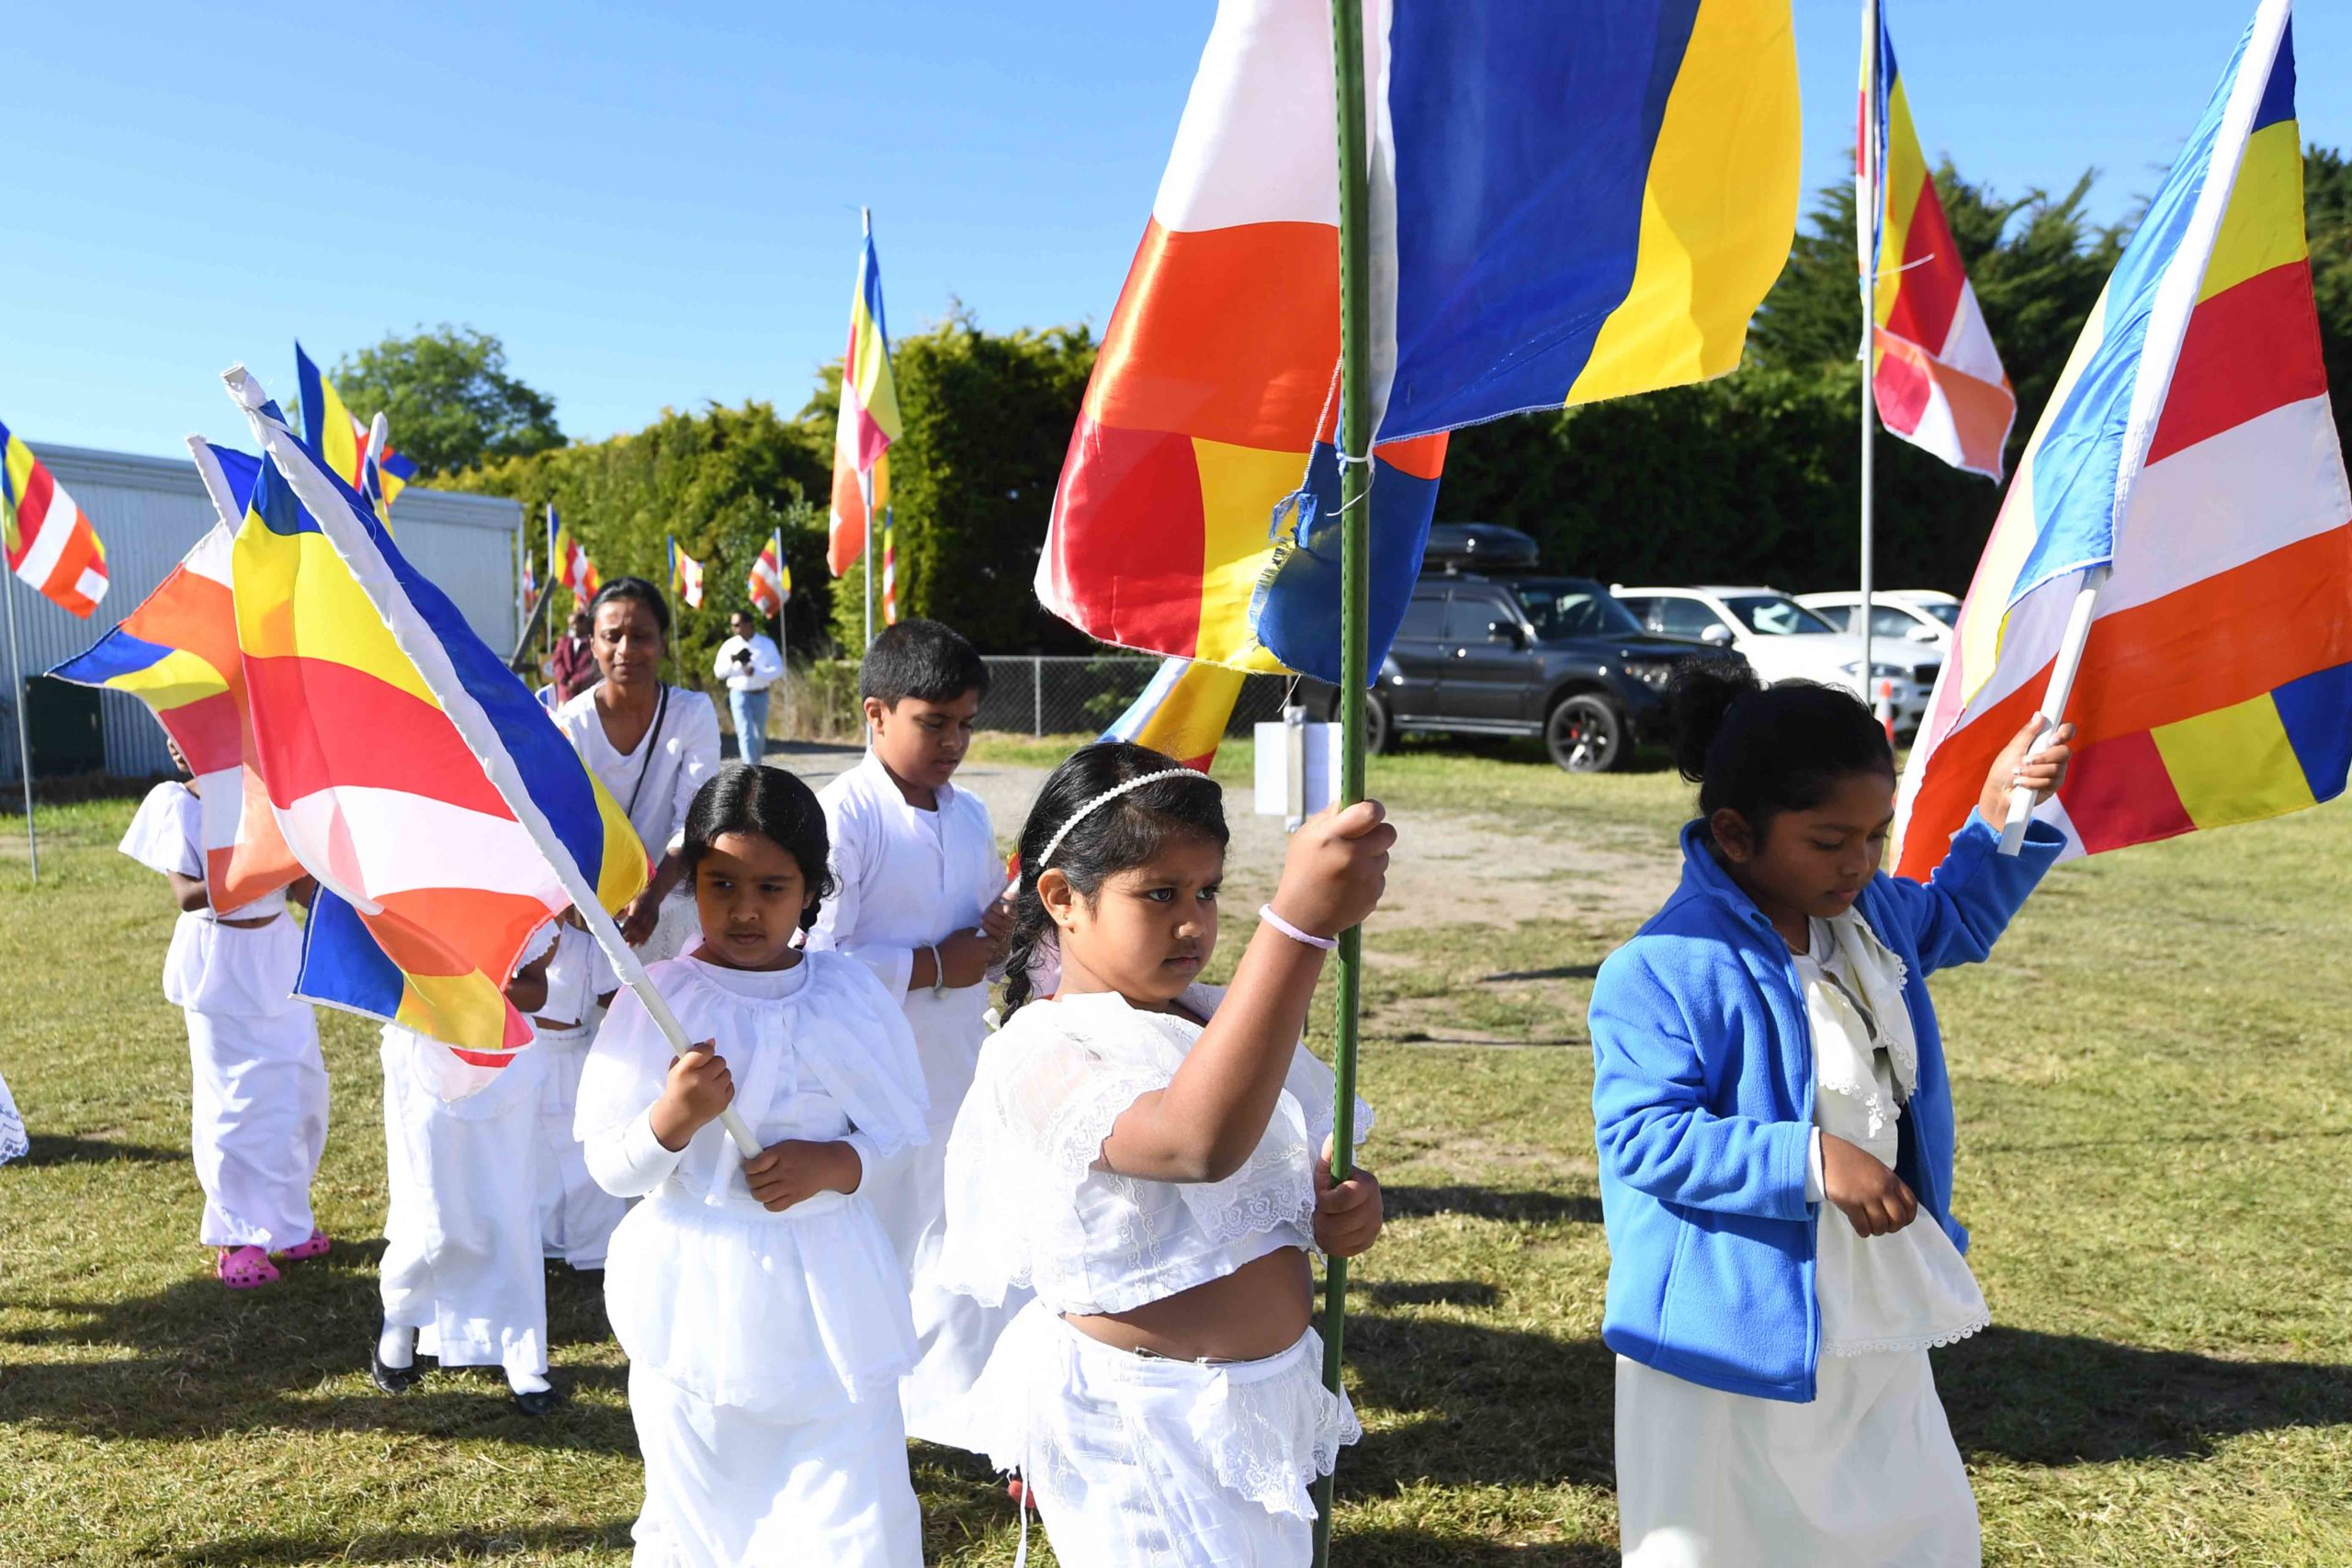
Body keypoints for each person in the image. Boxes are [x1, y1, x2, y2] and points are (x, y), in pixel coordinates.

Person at [1590, 667, 2075, 1568]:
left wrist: (2001, 808)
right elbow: (1643, 1136)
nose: (1858, 862)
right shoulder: (1660, 966)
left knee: (1903, 1519)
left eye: (1874, 836)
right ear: (1734, 834)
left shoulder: (1869, 915)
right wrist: (1813, 1159)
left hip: (1866, 1293)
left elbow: (1959, 914)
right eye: (1828, 840)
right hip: (1731, 1324)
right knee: (1732, 1537)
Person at [939, 741, 1392, 1566]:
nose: (1193, 921)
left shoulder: (1210, 1017)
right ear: (1062, 898)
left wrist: (1341, 1206)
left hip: (1260, 1406)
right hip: (1139, 1425)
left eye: (1208, 890)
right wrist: (1297, 926)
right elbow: (1195, 1142)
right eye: (1160, 893)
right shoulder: (1039, 1050)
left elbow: (1269, 1174)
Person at [577, 763, 930, 1566]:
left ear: (811, 890)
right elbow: (610, 1166)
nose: (744, 909)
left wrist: (837, 1163)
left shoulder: (849, 993)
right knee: (711, 1517)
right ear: (691, 884)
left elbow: (900, 1129)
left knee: (851, 1516)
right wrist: (672, 1119)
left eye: (772, 887)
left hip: (832, 1298)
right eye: (721, 884)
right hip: (700, 1298)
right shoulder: (660, 1000)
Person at [808, 617, 1018, 1450]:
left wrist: (1000, 936)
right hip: (869, 1074)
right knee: (880, 1237)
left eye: (965, 723)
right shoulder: (846, 814)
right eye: (934, 723)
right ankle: (865, 1403)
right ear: (877, 713)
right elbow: (817, 959)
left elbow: (981, 933)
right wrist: (932, 964)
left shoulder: (969, 814)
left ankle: (949, 1404)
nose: (954, 742)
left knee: (954, 1230)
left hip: (958, 1062)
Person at [120, 765, 330, 1289]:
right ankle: (237, 1236)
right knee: (234, 1103)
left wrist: (318, 854)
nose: (176, 740)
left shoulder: (272, 792)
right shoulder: (178, 803)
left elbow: (302, 889)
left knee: (297, 1091)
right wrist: (263, 865)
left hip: (276, 956)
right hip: (218, 961)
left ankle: (287, 1221)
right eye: (170, 730)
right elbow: (188, 895)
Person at [370, 933, 562, 1416]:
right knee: (426, 1197)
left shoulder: (524, 903)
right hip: (422, 1052)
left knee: (507, 1204)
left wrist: (475, 986)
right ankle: (401, 1316)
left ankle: (520, 1348)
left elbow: (536, 991)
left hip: (504, 1061)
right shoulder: (398, 898)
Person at [555, 577, 723, 967]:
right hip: (590, 909)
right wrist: (589, 899)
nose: (626, 650)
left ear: (662, 642)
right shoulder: (571, 723)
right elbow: (563, 824)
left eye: (641, 636)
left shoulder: (692, 714)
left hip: (669, 902)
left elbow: (695, 819)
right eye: (612, 637)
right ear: (592, 644)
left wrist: (653, 895)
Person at [530, 919, 627, 1274]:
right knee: (533, 1156)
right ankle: (535, 1237)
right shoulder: (517, 942)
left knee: (580, 1155)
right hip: (528, 1061)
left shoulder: (587, 946)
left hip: (575, 1062)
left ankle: (590, 1242)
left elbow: (617, 999)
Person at [712, 609, 785, 765]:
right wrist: (733, 662)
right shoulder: (730, 645)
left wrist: (756, 672)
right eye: (733, 625)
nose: (734, 628)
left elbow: (778, 669)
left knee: (759, 735)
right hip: (739, 694)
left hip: (760, 694)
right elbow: (718, 672)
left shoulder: (766, 644)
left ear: (748, 624)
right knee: (745, 732)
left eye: (737, 624)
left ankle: (756, 765)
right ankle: (750, 769)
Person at [547, 609, 598, 706]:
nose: (571, 628)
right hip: (565, 695)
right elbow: (557, 661)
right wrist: (563, 678)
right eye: (569, 624)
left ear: (583, 623)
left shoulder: (593, 644)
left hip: (585, 695)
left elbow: (593, 667)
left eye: (574, 624)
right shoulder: (564, 641)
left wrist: (575, 681)